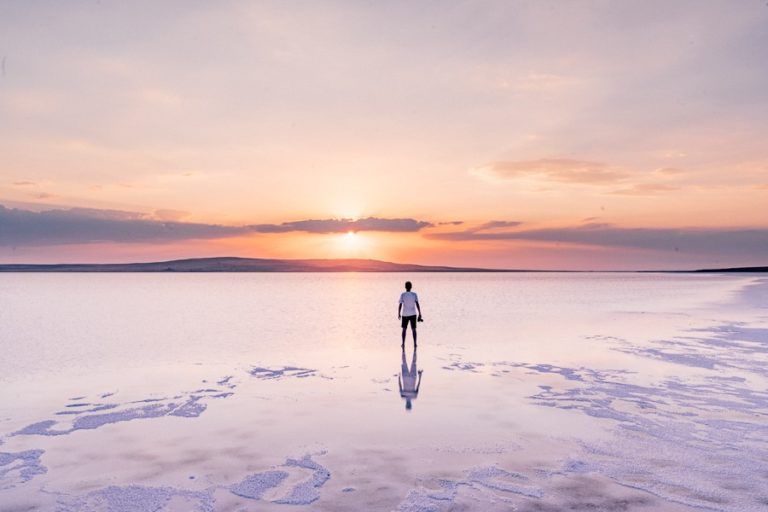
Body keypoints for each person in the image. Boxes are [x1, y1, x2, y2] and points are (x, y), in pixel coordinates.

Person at [398, 281, 422, 347]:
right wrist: (420, 313)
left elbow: (400, 304)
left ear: (405, 287)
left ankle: (403, 343)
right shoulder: (414, 294)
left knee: (404, 329)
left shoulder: (403, 294)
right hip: (413, 314)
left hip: (405, 314)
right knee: (414, 329)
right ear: (411, 287)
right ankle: (415, 344)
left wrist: (399, 314)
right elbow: (417, 304)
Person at [399, 347, 423, 411]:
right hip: (405, 377)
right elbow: (400, 386)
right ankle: (404, 350)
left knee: (414, 362)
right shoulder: (403, 396)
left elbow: (418, 385)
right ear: (406, 404)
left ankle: (414, 350)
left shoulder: (414, 396)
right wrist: (399, 377)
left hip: (412, 377)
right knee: (404, 362)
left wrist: (420, 376)